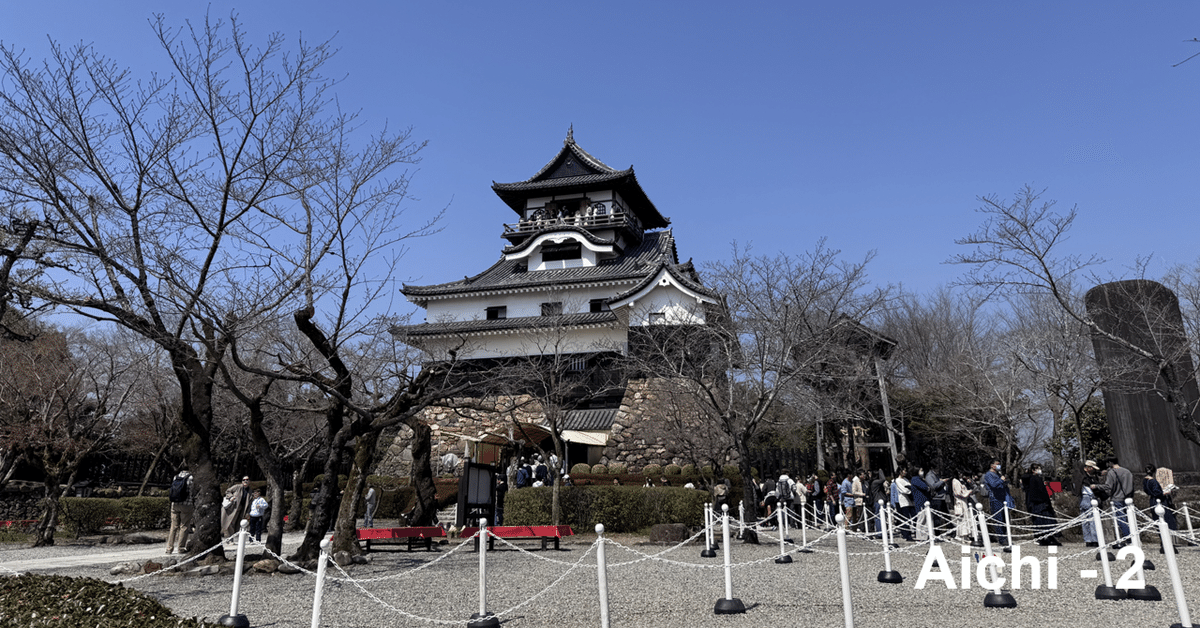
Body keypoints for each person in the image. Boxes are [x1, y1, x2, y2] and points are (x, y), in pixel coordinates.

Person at [1022, 463, 1060, 545]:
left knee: (1038, 521)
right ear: (1033, 470)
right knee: (1046, 521)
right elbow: (1043, 492)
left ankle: (1040, 538)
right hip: (1041, 503)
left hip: (1032, 503)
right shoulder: (1036, 479)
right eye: (1038, 469)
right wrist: (1047, 502)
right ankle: (1049, 538)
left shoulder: (1028, 479)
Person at [1103, 457, 1134, 545]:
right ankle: (1133, 535)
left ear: (1109, 463)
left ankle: (1127, 537)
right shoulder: (1127, 471)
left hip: (1117, 497)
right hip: (1128, 497)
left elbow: (1109, 487)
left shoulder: (1111, 473)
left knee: (1121, 519)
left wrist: (1098, 487)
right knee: (1130, 518)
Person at [166, 468, 195, 554]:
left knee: (173, 526)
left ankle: (169, 548)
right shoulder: (191, 478)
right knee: (184, 526)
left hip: (175, 504)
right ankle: (181, 548)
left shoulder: (176, 477)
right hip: (186, 505)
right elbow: (193, 491)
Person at [1143, 463, 1178, 531]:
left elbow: (1146, 490)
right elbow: (1157, 493)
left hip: (1152, 501)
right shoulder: (1153, 481)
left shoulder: (1145, 480)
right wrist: (1164, 493)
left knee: (1157, 519)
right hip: (1159, 501)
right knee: (1166, 519)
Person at [982, 460, 1009, 544]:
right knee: (998, 519)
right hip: (995, 498)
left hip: (1002, 498)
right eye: (997, 464)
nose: (999, 466)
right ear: (991, 465)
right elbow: (993, 485)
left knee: (1004, 519)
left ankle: (1005, 537)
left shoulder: (998, 474)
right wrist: (1001, 480)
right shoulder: (988, 475)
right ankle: (1001, 539)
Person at [1081, 460, 1101, 547]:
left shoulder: (1089, 476)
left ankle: (1089, 539)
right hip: (1088, 497)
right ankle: (1094, 539)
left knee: (1086, 520)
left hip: (1085, 498)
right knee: (1091, 519)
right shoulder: (1085, 478)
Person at [951, 472, 973, 541]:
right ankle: (962, 535)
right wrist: (968, 492)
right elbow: (959, 493)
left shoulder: (959, 481)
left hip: (963, 501)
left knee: (965, 518)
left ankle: (965, 534)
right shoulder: (955, 481)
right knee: (962, 519)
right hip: (960, 501)